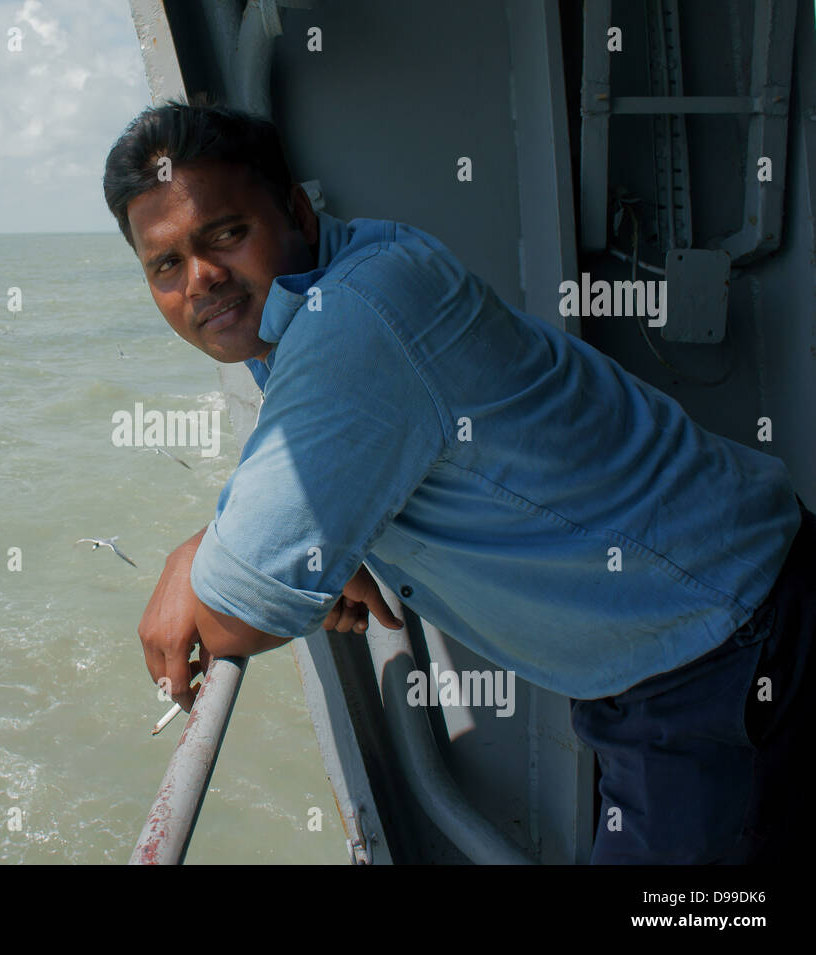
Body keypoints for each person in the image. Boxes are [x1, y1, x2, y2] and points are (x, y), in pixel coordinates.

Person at [101, 100, 812, 864]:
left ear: (297, 212)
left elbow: (235, 607)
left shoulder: (355, 315)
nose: (200, 278)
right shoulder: (347, 279)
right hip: (703, 619)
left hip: (715, 649)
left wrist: (192, 559)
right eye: (165, 264)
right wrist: (327, 534)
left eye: (225, 234)